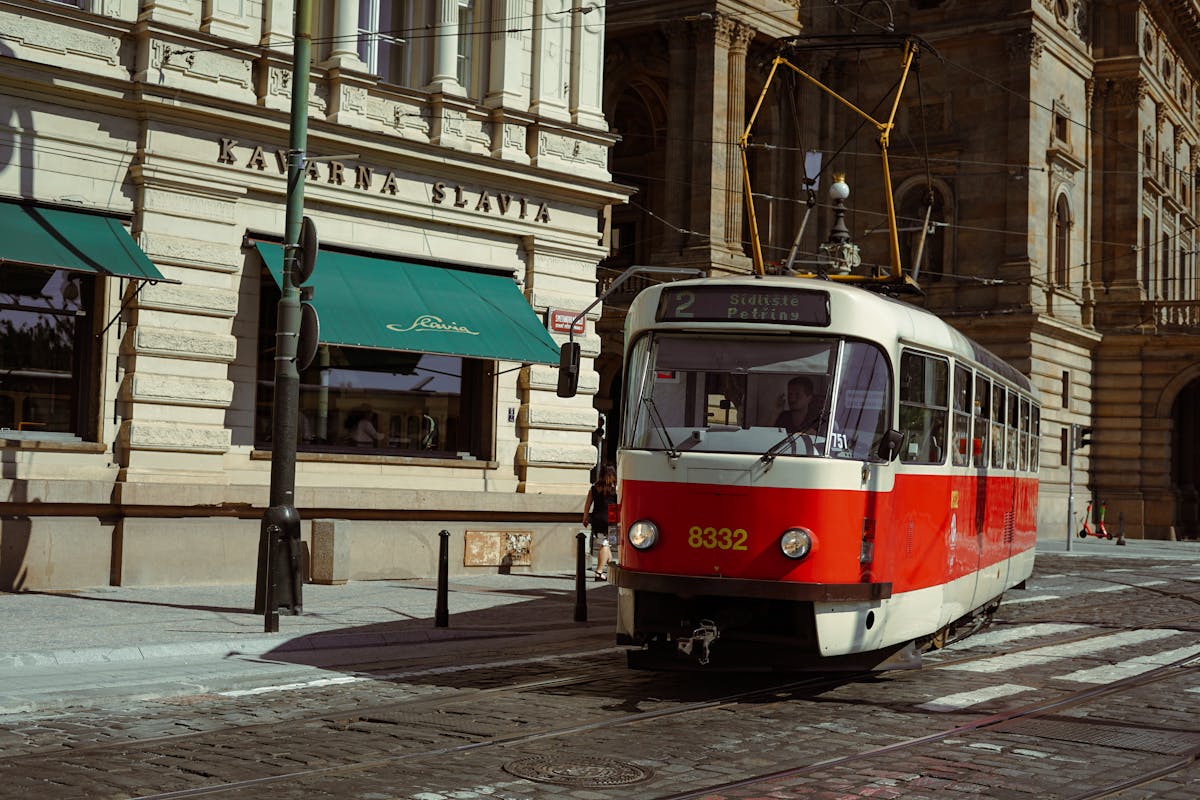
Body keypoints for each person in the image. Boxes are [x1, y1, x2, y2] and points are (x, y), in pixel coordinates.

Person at [581, 464, 617, 581]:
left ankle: (611, 567)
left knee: (605, 544)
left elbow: (587, 505)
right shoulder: (616, 489)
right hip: (612, 519)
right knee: (605, 544)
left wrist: (585, 517)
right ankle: (599, 572)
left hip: (597, 519)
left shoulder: (594, 488)